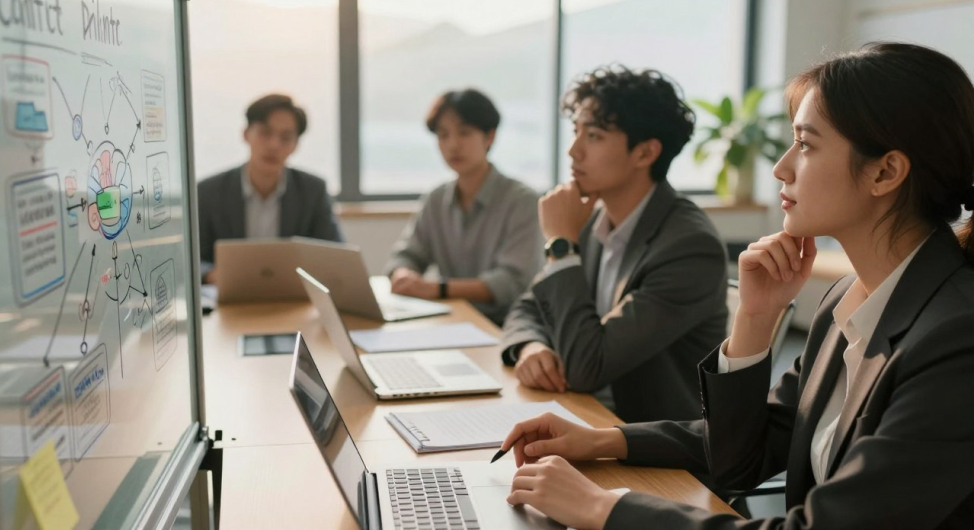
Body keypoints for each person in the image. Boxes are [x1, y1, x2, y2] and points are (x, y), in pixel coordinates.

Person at [496, 42, 974, 529]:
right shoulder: (849, 299)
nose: (781, 167)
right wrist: (754, 318)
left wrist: (603, 508)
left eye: (805, 145)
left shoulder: (956, 338)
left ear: (885, 171)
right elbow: (746, 456)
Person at [499, 66, 728, 424]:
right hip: (582, 415)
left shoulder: (689, 247)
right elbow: (528, 308)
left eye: (594, 136)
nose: (573, 151)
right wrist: (532, 346)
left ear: (645, 153)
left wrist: (561, 245)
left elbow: (589, 367)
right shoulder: (591, 216)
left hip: (647, 444)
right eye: (576, 132)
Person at [385, 89, 542, 326]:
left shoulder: (523, 201)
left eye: (464, 133)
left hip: (507, 328)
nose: (452, 145)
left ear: (490, 137)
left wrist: (438, 289)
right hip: (452, 322)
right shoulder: (436, 199)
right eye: (443, 135)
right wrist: (403, 274)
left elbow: (512, 282)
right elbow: (407, 255)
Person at [198, 93, 342, 283]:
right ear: (246, 134)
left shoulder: (313, 190)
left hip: (293, 298)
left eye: (286, 137)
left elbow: (335, 255)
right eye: (265, 133)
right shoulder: (209, 191)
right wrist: (211, 274)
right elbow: (192, 258)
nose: (274, 145)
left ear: (296, 145)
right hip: (229, 300)